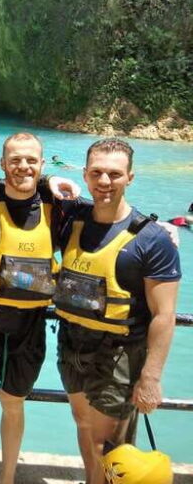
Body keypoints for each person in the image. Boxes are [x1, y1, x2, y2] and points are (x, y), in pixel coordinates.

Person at [55, 138, 180, 484]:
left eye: (114, 174)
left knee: (107, 443)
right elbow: (21, 192)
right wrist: (48, 180)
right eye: (96, 173)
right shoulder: (71, 221)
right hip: (72, 346)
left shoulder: (152, 240)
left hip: (119, 354)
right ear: (85, 174)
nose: (105, 181)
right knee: (84, 427)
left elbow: (164, 314)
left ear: (130, 178)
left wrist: (150, 378)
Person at [0, 132, 76, 484]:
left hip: (30, 324)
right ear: (2, 164)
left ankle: (8, 478)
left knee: (13, 402)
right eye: (15, 160)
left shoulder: (58, 208)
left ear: (40, 165)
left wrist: (157, 228)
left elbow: (109, 215)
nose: (22, 166)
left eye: (31, 160)